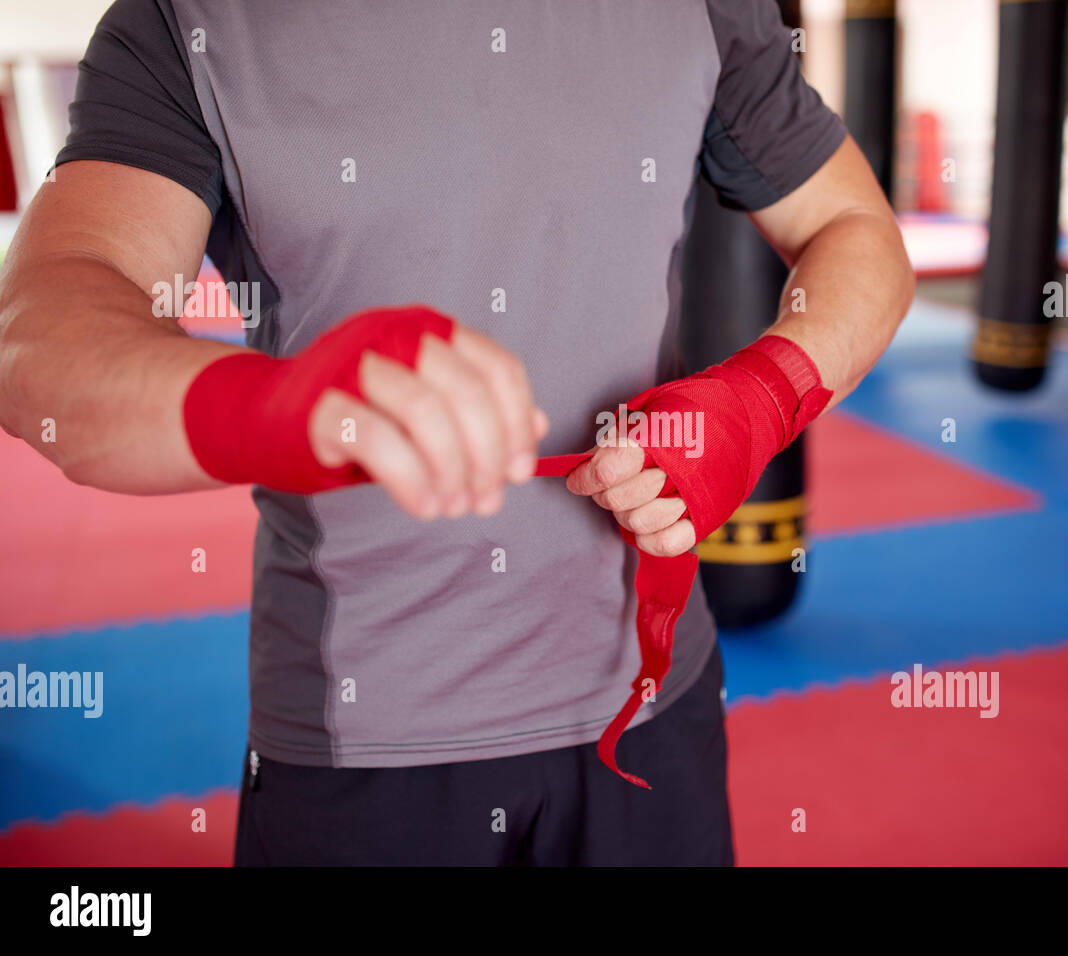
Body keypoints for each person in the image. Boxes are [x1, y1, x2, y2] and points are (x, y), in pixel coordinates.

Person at [0, 0, 913, 865]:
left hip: (651, 706)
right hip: (361, 742)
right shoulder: (192, 21)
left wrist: (760, 399)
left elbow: (854, 225)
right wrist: (284, 406)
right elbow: (40, 334)